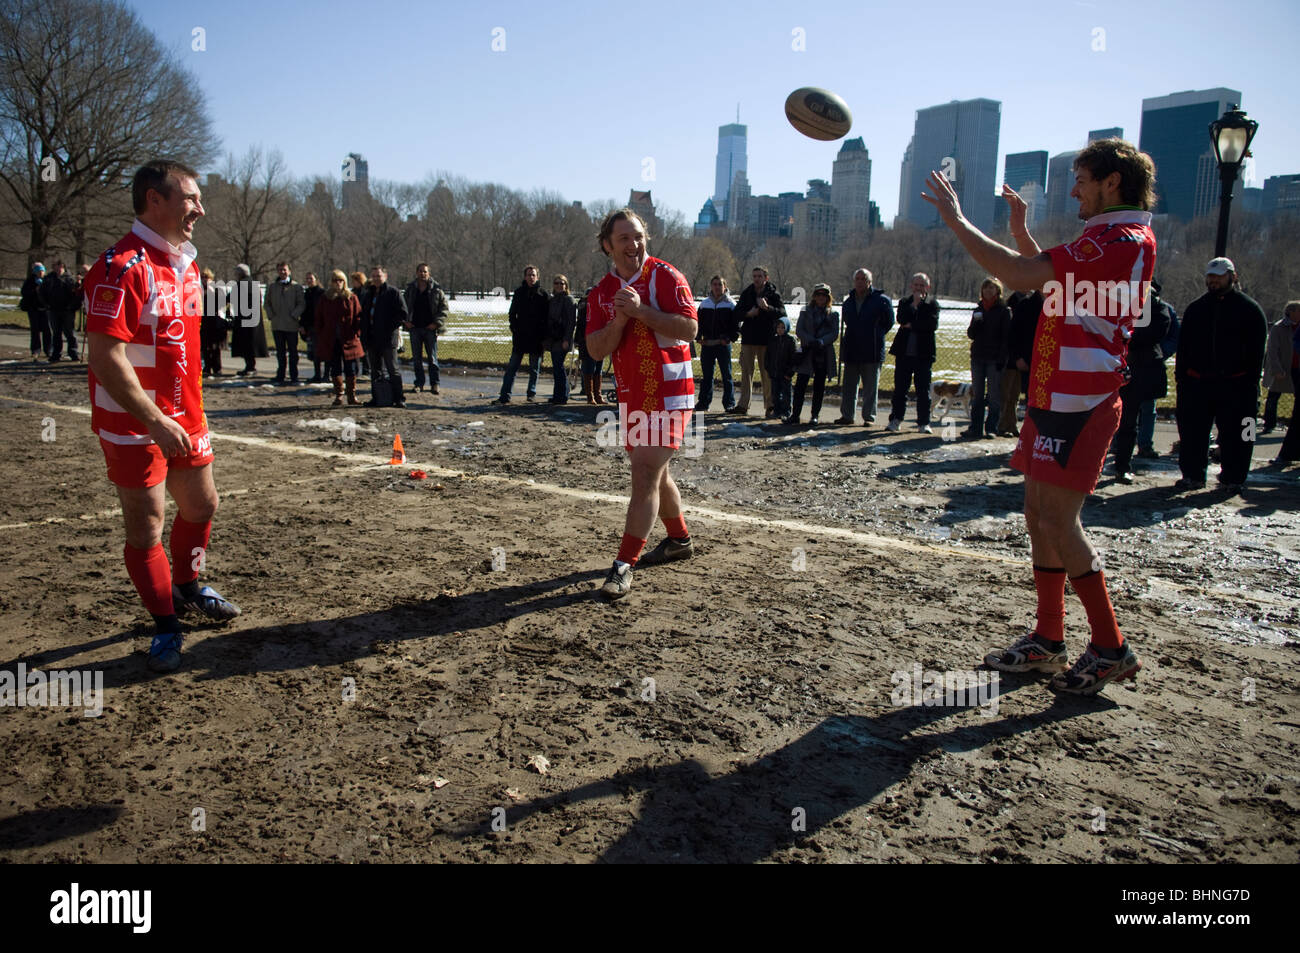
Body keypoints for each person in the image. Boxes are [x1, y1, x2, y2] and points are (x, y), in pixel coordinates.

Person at [922, 138, 1157, 695]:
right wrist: (1022, 230)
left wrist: (956, 220)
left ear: (1111, 183)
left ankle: (1110, 646)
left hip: (1082, 403)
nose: (1073, 189)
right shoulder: (1104, 236)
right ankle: (1050, 639)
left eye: (1081, 179)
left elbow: (1021, 274)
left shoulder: (1119, 238)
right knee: (1038, 515)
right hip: (1058, 399)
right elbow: (1051, 272)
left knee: (1057, 520)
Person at [83, 159, 241, 674]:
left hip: (185, 418)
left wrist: (187, 409)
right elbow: (106, 356)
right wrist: (153, 419)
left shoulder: (187, 265)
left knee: (202, 504)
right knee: (147, 524)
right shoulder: (121, 265)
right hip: (135, 423)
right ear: (155, 199)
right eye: (191, 198)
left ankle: (189, 586)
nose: (200, 208)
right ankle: (166, 625)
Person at [584, 208, 697, 600]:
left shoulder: (666, 276)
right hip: (633, 396)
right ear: (607, 246)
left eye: (638, 236)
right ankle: (679, 540)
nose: (634, 245)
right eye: (624, 239)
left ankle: (622, 567)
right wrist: (619, 321)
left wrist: (642, 312)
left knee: (645, 470)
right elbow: (596, 350)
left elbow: (689, 328)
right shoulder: (601, 293)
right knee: (657, 475)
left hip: (670, 392)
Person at [1174, 258, 1267, 493]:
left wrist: (1249, 382)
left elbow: (1257, 351)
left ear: (1232, 277)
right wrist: (1183, 378)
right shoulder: (1196, 309)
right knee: (1192, 433)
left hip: (1237, 384)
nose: (1213, 280)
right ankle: (1193, 475)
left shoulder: (1250, 309)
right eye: (1210, 276)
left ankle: (1234, 477)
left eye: (1219, 275)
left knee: (1242, 435)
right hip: (1198, 384)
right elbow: (1183, 347)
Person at [1110, 279, 1174, 481]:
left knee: (1131, 420)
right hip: (1116, 365)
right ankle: (1109, 460)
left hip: (1139, 371)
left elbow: (1158, 330)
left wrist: (1127, 336)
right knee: (1110, 419)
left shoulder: (1156, 306)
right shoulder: (1117, 301)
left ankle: (1123, 464)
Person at [836, 268, 893, 425]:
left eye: (863, 279)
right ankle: (847, 416)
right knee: (849, 386)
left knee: (870, 387)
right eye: (858, 279)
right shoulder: (849, 301)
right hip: (852, 349)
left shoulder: (881, 300)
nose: (860, 282)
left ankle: (869, 417)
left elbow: (889, 322)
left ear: (870, 282)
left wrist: (876, 334)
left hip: (872, 350)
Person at [887, 273, 939, 433]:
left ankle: (923, 423)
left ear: (927, 287)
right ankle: (896, 419)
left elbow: (931, 324)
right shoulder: (904, 302)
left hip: (923, 355)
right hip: (904, 353)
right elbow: (901, 319)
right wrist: (914, 307)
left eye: (921, 285)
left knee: (923, 391)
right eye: (916, 285)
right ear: (911, 286)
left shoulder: (932, 304)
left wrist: (913, 323)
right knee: (900, 389)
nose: (918, 288)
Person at [733, 266, 786, 417]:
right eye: (754, 276)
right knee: (746, 373)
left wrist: (767, 308)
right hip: (749, 339)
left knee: (766, 374)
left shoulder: (773, 294)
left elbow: (782, 313)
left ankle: (770, 405)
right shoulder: (747, 293)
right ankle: (743, 405)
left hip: (766, 340)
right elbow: (736, 314)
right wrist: (748, 314)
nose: (756, 279)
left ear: (766, 278)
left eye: (759, 276)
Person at [963, 277, 1012, 439]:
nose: (989, 291)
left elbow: (1007, 338)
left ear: (998, 291)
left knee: (993, 396)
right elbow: (971, 334)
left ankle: (991, 428)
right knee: (977, 395)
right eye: (986, 288)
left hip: (995, 359)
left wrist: (1001, 359)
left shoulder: (1004, 311)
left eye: (992, 288)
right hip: (978, 357)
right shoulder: (978, 309)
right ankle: (974, 428)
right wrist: (977, 324)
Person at [786, 284, 839, 427]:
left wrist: (821, 341)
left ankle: (814, 415)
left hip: (823, 352)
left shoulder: (833, 314)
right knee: (800, 385)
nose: (821, 297)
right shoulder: (806, 311)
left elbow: (834, 333)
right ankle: (795, 414)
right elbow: (799, 330)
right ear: (814, 296)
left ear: (828, 297)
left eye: (824, 295)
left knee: (819, 386)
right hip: (807, 351)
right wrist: (810, 341)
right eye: (818, 294)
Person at [497, 265, 548, 403]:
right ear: (524, 277)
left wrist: (543, 336)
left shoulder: (543, 295)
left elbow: (547, 317)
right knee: (512, 368)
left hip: (536, 338)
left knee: (534, 369)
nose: (531, 277)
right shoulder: (519, 293)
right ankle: (505, 395)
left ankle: (531, 394)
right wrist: (515, 328)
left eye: (533, 275)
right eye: (528, 275)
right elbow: (512, 313)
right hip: (521, 337)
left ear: (537, 277)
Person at [362, 265, 409, 408]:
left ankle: (399, 398)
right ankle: (377, 397)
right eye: (374, 276)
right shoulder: (368, 294)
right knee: (375, 370)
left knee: (392, 369)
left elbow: (403, 314)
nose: (376, 278)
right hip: (372, 338)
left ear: (385, 277)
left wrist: (388, 327)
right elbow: (364, 315)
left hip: (388, 339)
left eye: (379, 276)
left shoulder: (393, 293)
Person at [316, 270, 363, 407]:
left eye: (341, 280)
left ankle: (352, 395)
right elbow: (319, 318)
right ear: (331, 282)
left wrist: (357, 332)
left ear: (344, 282)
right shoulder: (325, 298)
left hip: (349, 339)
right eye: (335, 280)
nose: (338, 283)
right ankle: (339, 395)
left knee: (351, 368)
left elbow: (358, 316)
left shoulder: (351, 297)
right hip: (331, 339)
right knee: (335, 368)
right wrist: (321, 334)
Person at [1000, 290, 1042, 437]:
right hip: (1027, 361)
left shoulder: (1061, 305)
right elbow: (1014, 334)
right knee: (1030, 399)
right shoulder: (1026, 305)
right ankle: (1029, 435)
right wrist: (1017, 357)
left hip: (1050, 361)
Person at [403, 263, 449, 395]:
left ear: (429, 274)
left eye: (425, 272)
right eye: (420, 271)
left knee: (432, 359)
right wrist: (406, 322)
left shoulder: (436, 289)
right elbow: (403, 307)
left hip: (430, 329)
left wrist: (436, 323)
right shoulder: (411, 289)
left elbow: (444, 309)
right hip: (415, 329)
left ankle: (435, 384)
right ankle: (419, 383)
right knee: (417, 359)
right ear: (416, 273)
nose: (422, 274)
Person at [695, 275, 737, 412]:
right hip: (707, 344)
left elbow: (736, 325)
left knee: (727, 376)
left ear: (725, 286)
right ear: (711, 286)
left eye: (719, 284)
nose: (717, 287)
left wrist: (729, 338)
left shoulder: (730, 304)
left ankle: (729, 403)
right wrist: (698, 337)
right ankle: (703, 403)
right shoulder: (704, 304)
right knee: (707, 376)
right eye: (714, 284)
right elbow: (697, 323)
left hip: (723, 345)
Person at [1262, 301, 1299, 435]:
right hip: (1283, 368)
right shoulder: (1279, 327)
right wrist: (1277, 369)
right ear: (1291, 312)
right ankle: (1269, 423)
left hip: (1297, 368)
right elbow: (1272, 350)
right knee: (1273, 397)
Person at [265, 261, 305, 385]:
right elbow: (267, 303)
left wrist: (294, 315)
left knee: (293, 352)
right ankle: (280, 374)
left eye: (284, 270)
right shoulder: (272, 287)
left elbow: (301, 304)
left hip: (291, 326)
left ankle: (294, 375)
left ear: (289, 271)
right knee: (280, 352)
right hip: (277, 325)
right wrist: (271, 316)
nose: (282, 272)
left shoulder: (296, 287)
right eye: (280, 270)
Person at [544, 275, 577, 404]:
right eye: (556, 283)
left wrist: (567, 339)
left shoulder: (569, 300)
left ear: (566, 285)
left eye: (562, 283)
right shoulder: (552, 300)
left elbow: (571, 322)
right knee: (557, 367)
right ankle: (557, 395)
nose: (559, 285)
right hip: (553, 338)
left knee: (559, 366)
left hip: (563, 338)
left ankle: (563, 395)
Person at [41, 259, 80, 362]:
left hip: (67, 310)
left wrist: (72, 306)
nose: (56, 268)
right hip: (53, 309)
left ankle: (73, 352)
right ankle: (56, 353)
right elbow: (41, 292)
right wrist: (46, 304)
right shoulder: (49, 279)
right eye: (54, 266)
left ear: (63, 266)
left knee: (69, 332)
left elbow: (76, 295)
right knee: (56, 333)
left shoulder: (70, 279)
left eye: (58, 266)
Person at [229, 264, 261, 376]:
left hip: (245, 320)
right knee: (249, 345)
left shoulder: (242, 285)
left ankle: (250, 367)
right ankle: (250, 366)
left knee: (247, 345)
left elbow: (230, 297)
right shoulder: (252, 283)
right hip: (252, 319)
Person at [575, 286, 605, 404]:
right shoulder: (583, 308)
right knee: (589, 368)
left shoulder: (601, 308)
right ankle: (590, 395)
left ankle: (598, 394)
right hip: (587, 341)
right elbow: (580, 326)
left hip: (600, 341)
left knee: (598, 368)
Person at [765, 316, 797, 421]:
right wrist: (768, 368)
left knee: (786, 394)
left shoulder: (790, 340)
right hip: (774, 372)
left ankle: (786, 412)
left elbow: (793, 358)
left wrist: (790, 372)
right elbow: (768, 356)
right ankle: (777, 411)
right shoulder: (772, 340)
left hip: (785, 373)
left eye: (783, 327)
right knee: (775, 394)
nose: (780, 330)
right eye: (778, 327)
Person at [199, 267, 228, 378]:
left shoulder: (216, 289)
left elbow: (222, 303)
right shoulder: (200, 289)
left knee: (215, 346)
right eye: (202, 277)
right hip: (204, 319)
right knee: (205, 346)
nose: (204, 279)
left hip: (215, 319)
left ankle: (217, 367)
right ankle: (207, 367)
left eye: (206, 277)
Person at [20, 262, 49, 360]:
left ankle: (48, 349)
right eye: (39, 271)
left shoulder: (47, 280)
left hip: (45, 309)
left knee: (47, 330)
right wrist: (34, 291)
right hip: (33, 309)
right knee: (35, 330)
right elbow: (24, 293)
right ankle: (35, 350)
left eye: (42, 271)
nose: (41, 273)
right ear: (35, 272)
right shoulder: (30, 281)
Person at [302, 272, 326, 383]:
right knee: (315, 353)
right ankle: (317, 374)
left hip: (322, 326)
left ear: (316, 279)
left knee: (325, 352)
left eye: (311, 278)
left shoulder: (322, 293)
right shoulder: (306, 293)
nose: (309, 281)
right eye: (307, 279)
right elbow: (304, 311)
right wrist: (302, 325)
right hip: (311, 326)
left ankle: (326, 374)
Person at [350, 270, 371, 377]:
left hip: (363, 322)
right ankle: (358, 370)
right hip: (355, 322)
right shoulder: (353, 292)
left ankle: (366, 369)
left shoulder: (364, 293)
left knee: (364, 347)